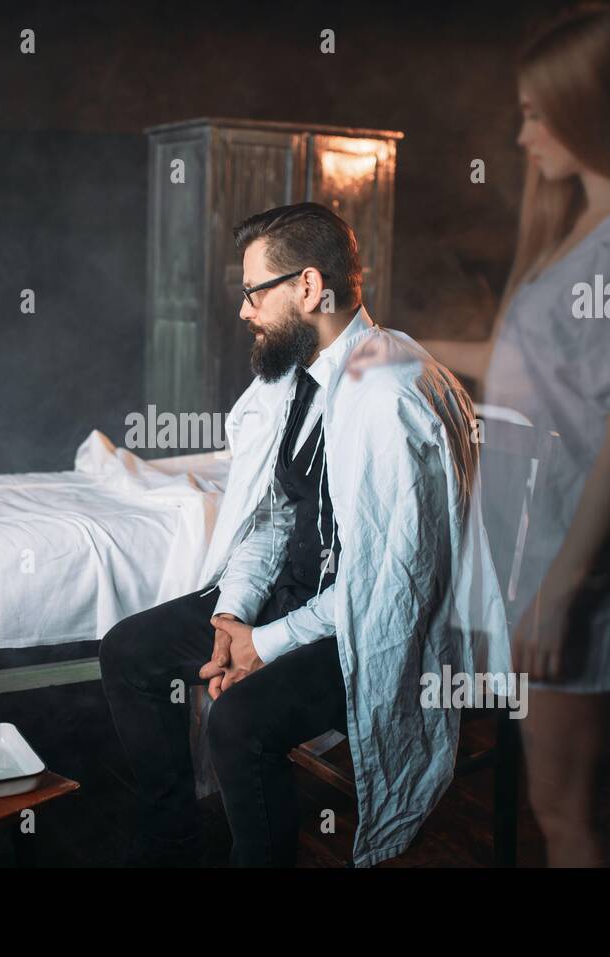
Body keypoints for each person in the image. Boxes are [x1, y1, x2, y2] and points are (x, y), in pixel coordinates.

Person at [365, 4, 610, 866]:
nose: (521, 136)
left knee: (567, 814)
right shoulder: (587, 233)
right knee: (550, 798)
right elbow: (526, 365)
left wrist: (561, 591)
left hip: (576, 558)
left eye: (534, 112)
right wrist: (402, 347)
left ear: (589, 107)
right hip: (540, 540)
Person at [100, 202, 509, 867]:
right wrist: (235, 611)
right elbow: (276, 513)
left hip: (369, 627)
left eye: (254, 292)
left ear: (311, 288)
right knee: (130, 651)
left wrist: (265, 643)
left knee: (237, 723)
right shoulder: (300, 377)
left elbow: (387, 591)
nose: (244, 310)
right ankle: (169, 847)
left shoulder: (389, 394)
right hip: (300, 600)